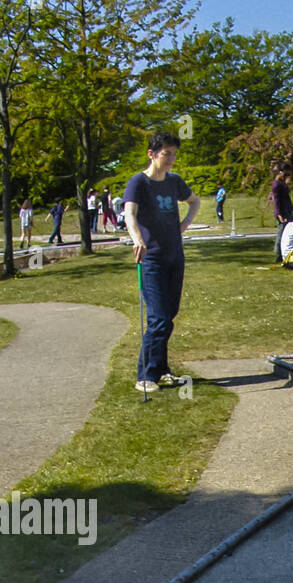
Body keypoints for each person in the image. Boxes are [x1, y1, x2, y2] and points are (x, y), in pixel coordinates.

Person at [124, 130, 201, 394]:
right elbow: (129, 214)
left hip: (174, 257)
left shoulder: (175, 181)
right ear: (152, 154)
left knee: (168, 316)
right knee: (157, 318)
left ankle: (163, 370)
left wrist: (185, 224)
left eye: (174, 154)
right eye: (166, 154)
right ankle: (144, 375)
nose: (170, 159)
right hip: (151, 258)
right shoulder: (138, 183)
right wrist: (137, 239)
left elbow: (194, 201)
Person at [269, 165, 293, 263]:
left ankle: (283, 253)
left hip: (287, 210)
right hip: (282, 212)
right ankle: (278, 254)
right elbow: (276, 200)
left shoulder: (283, 182)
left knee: (286, 232)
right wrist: (279, 214)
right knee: (281, 232)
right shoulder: (277, 184)